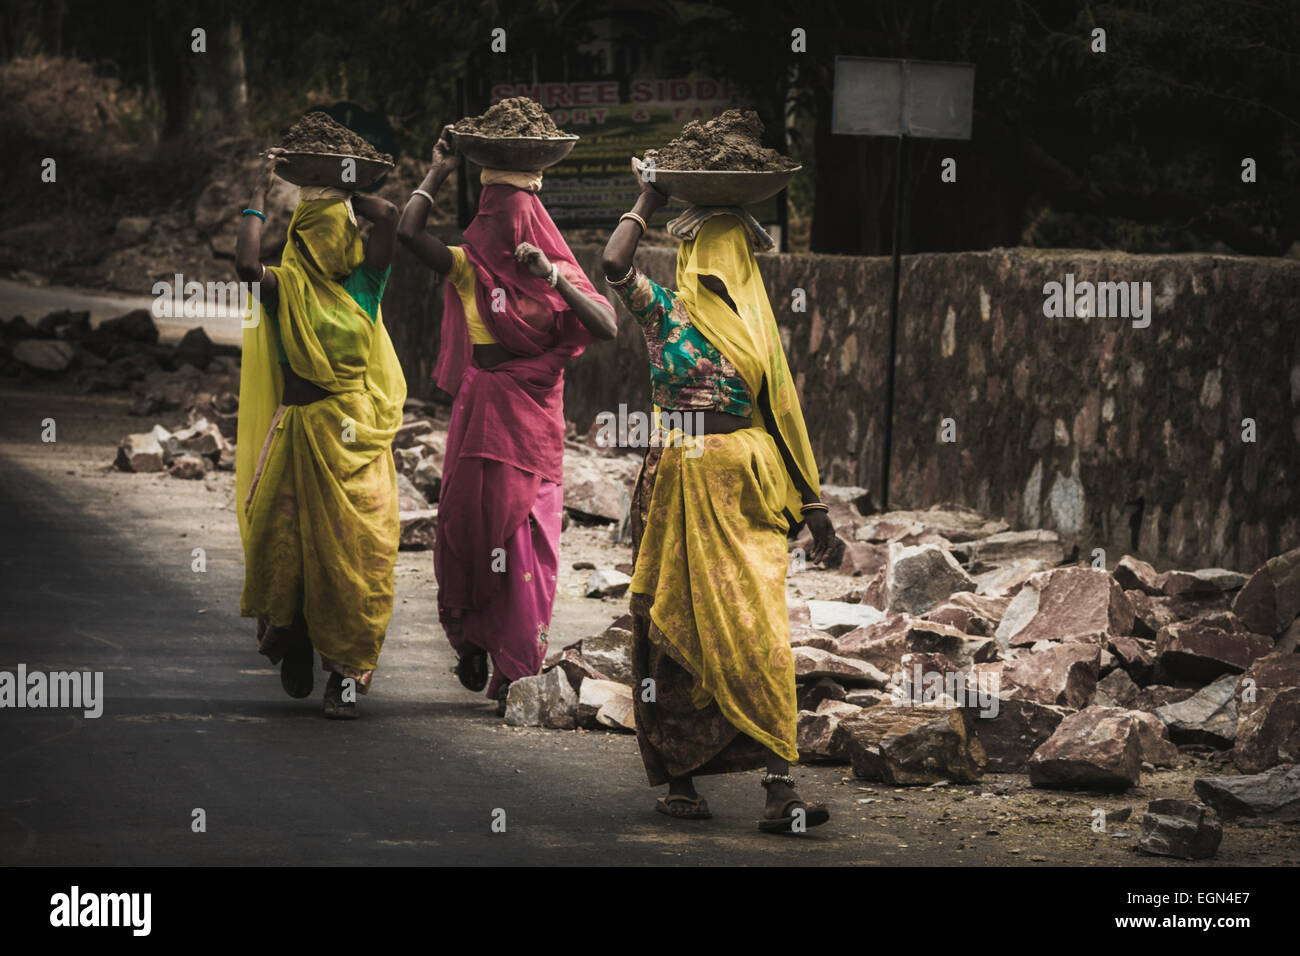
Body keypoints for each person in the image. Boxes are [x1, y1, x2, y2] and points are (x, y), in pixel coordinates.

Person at [600, 170, 837, 833]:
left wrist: (814, 509)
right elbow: (614, 261)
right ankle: (681, 778)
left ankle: (779, 786)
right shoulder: (666, 309)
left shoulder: (754, 330)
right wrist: (648, 195)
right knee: (674, 627)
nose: (722, 268)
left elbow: (783, 414)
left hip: (742, 489)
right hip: (683, 481)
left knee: (758, 630)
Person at [398, 126, 617, 713]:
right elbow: (406, 231)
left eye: (515, 217)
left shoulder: (555, 271)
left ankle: (517, 670)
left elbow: (608, 324)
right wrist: (439, 169)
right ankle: (472, 638)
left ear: (536, 220)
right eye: (492, 218)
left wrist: (550, 276)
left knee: (529, 544)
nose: (503, 230)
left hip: (534, 424)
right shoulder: (467, 266)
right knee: (469, 531)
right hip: (482, 419)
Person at [234, 147, 406, 719]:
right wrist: (260, 199)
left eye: (342, 234)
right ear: (300, 242)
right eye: (321, 235)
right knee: (292, 553)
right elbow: (243, 267)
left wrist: (346, 194)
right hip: (301, 433)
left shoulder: (367, 282)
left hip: (356, 440)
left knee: (359, 561)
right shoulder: (283, 284)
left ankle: (347, 678)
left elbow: (390, 218)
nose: (336, 245)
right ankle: (297, 641)